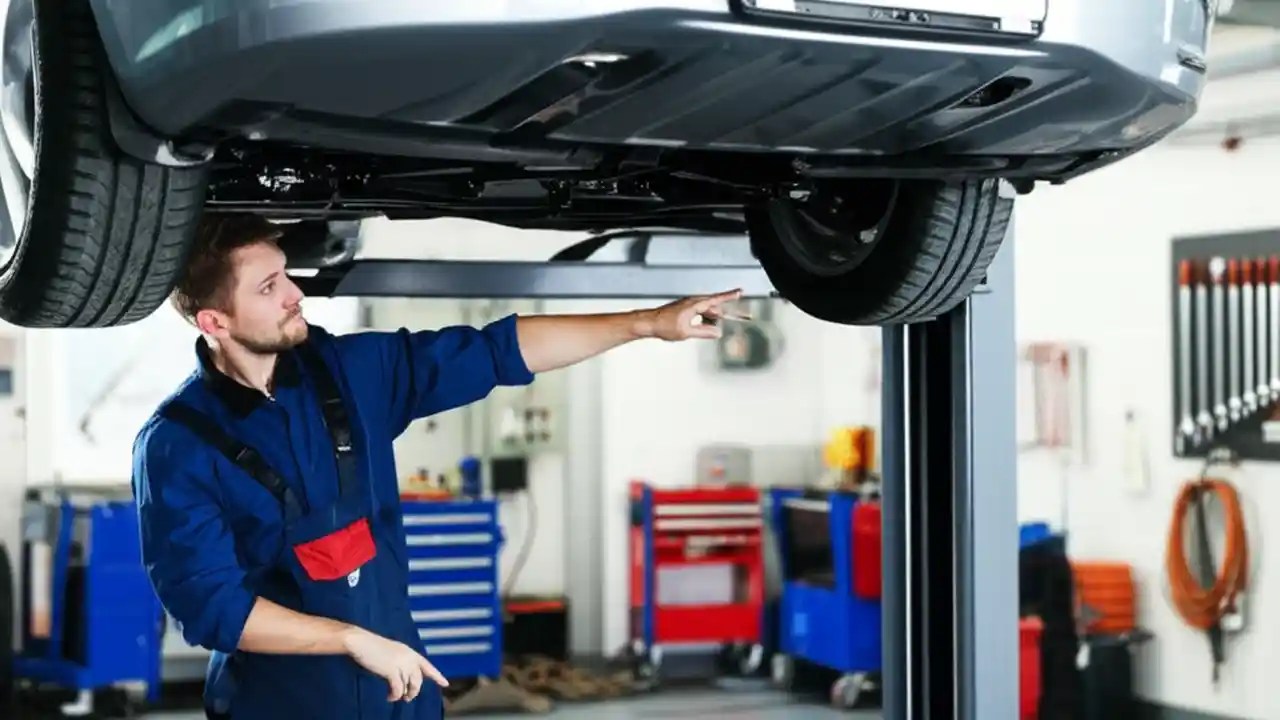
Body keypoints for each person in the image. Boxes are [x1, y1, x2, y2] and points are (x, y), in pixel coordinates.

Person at [131, 214, 743, 720]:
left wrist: (648, 323)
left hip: (401, 692)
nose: (295, 293)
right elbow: (215, 610)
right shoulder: (177, 445)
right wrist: (349, 640)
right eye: (268, 288)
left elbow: (499, 350)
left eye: (286, 274)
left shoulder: (352, 372)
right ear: (216, 323)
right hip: (282, 705)